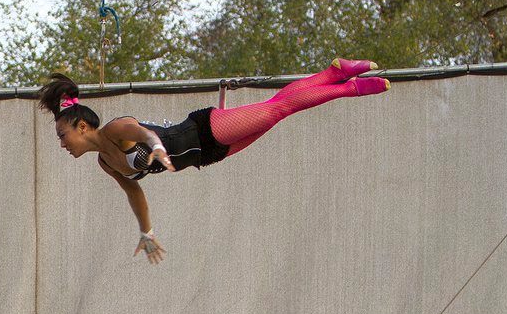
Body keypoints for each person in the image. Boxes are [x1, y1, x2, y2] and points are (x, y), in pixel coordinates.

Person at [37, 59, 389, 263]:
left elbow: (143, 134)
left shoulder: (115, 130)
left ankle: (349, 87)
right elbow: (134, 194)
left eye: (62, 136)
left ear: (82, 126)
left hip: (204, 129)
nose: (62, 144)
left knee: (279, 108)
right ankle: (333, 73)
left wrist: (157, 148)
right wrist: (146, 231)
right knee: (278, 111)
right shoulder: (106, 163)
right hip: (209, 154)